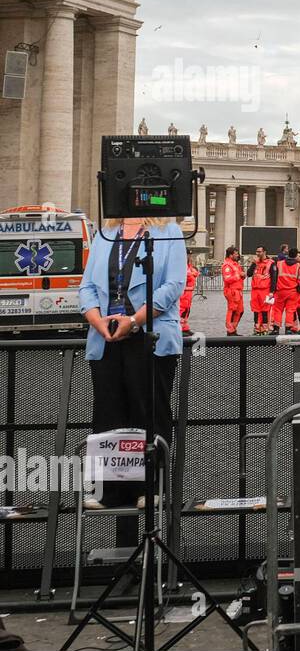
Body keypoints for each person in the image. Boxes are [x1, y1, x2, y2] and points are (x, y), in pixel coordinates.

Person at [78, 215, 185, 510]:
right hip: (106, 336)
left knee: (148, 412)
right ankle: (110, 491)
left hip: (150, 334)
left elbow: (174, 284)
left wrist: (135, 320)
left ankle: (150, 486)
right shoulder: (105, 233)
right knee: (108, 413)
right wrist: (97, 320)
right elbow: (86, 286)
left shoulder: (169, 231)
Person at [269, 247, 300, 334]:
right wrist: (299, 290)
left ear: (288, 254)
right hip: (292, 292)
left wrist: (273, 290)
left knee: (277, 310)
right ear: (296, 256)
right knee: (290, 310)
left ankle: (276, 328)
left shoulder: (279, 264)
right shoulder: (299, 266)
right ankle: (288, 328)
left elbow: (274, 277)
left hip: (280, 291)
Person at [248, 246, 273, 335]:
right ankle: (257, 329)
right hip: (255, 290)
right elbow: (249, 274)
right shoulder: (255, 263)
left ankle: (265, 329)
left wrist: (272, 292)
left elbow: (274, 278)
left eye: (259, 252)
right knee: (255, 310)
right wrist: (253, 264)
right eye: (257, 251)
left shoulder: (271, 263)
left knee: (265, 310)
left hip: (266, 291)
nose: (257, 253)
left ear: (264, 252)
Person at [221, 245, 245, 335]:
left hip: (238, 290)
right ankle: (230, 330)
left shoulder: (235, 264)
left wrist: (242, 276)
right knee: (232, 310)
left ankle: (233, 328)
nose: (238, 255)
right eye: (236, 254)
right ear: (230, 255)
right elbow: (227, 278)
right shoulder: (227, 265)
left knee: (240, 311)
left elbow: (238, 276)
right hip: (232, 291)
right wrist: (239, 275)